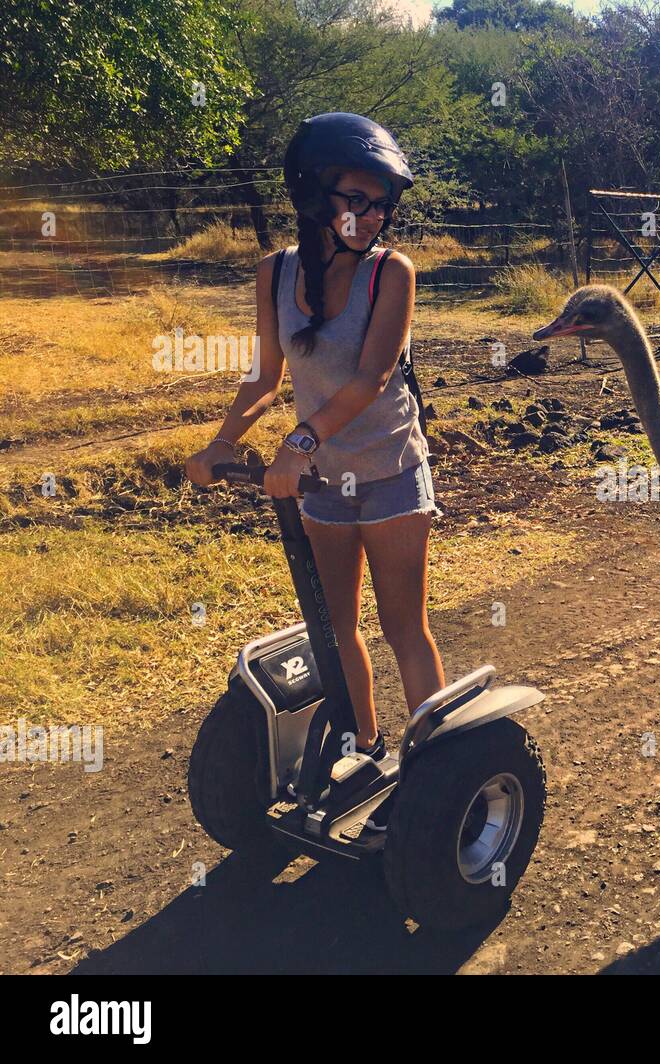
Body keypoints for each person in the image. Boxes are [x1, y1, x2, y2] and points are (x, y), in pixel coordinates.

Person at [184, 113, 444, 831]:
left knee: (403, 627)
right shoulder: (274, 274)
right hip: (323, 484)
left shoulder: (392, 273)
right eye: (353, 199)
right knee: (334, 627)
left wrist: (298, 442)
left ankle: (433, 775)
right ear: (312, 196)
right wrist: (220, 444)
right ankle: (367, 744)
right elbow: (266, 376)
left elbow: (373, 375)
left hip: (390, 473)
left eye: (379, 202)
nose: (368, 215)